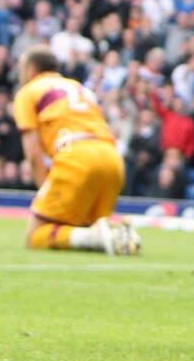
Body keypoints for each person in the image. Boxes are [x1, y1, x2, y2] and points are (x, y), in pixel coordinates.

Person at [11, 45, 140, 255]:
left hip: (77, 155)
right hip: (111, 156)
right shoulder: (79, 87)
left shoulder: (29, 91)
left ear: (32, 69)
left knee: (36, 236)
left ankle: (94, 236)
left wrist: (45, 190)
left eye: (21, 67)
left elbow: (33, 155)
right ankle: (120, 237)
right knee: (79, 227)